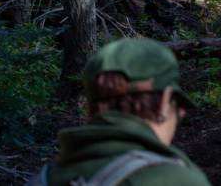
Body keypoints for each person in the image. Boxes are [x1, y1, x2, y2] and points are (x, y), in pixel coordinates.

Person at [28, 38, 211, 186]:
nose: (182, 113)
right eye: (177, 105)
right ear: (164, 101)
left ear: (89, 107)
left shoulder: (45, 178)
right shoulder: (176, 180)